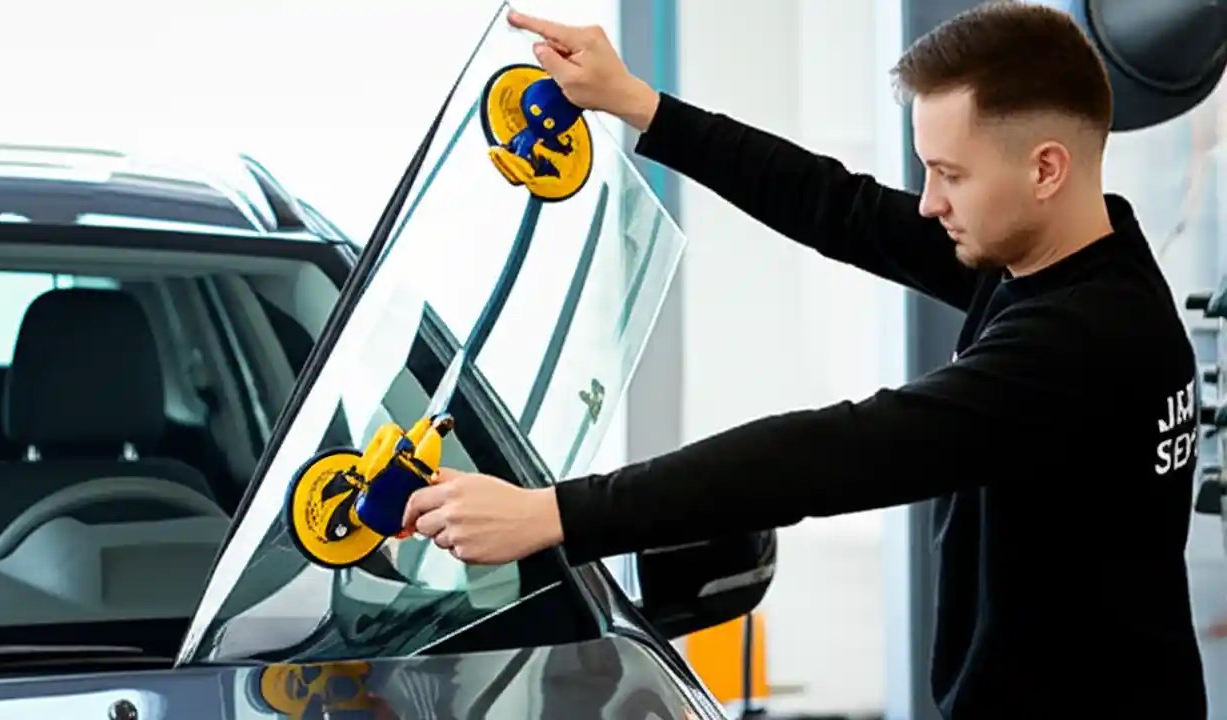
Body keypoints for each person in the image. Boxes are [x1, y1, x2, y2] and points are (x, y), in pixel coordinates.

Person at [404, 1, 1209, 716]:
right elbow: (841, 207)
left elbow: (825, 455)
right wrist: (640, 107)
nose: (929, 202)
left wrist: (553, 515)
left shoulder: (1078, 348)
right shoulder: (1085, 255)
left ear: (1045, 169)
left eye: (949, 175)